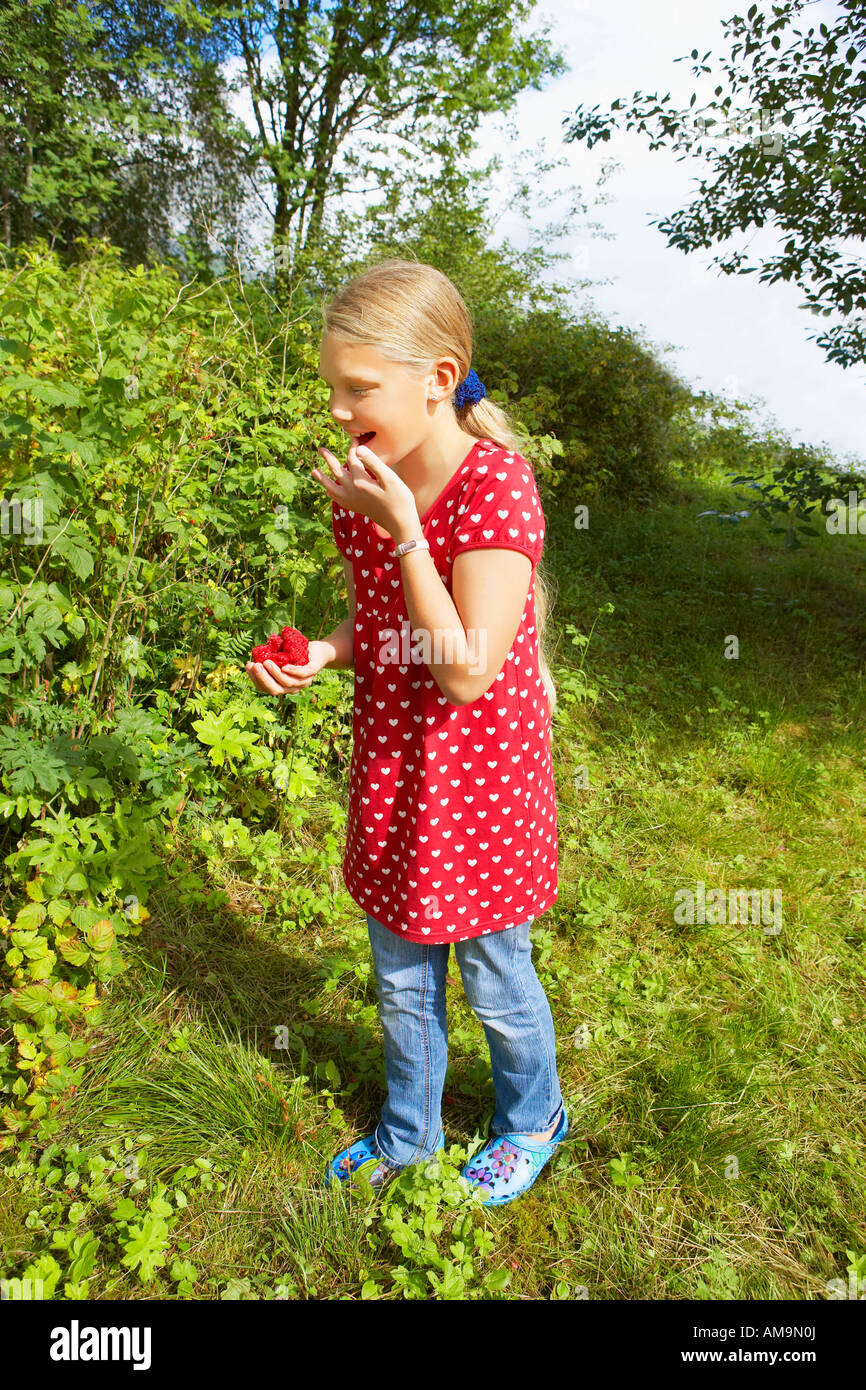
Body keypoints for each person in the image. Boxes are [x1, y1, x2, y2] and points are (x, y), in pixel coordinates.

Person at [246, 259, 568, 1206]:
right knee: (398, 972)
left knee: (496, 975)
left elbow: (466, 667)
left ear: (439, 376)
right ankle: (409, 1131)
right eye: (333, 390)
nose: (341, 411)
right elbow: (386, 620)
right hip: (397, 765)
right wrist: (325, 653)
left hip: (481, 779)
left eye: (359, 389)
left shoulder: (495, 489)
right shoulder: (374, 489)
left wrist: (405, 534)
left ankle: (531, 1118)